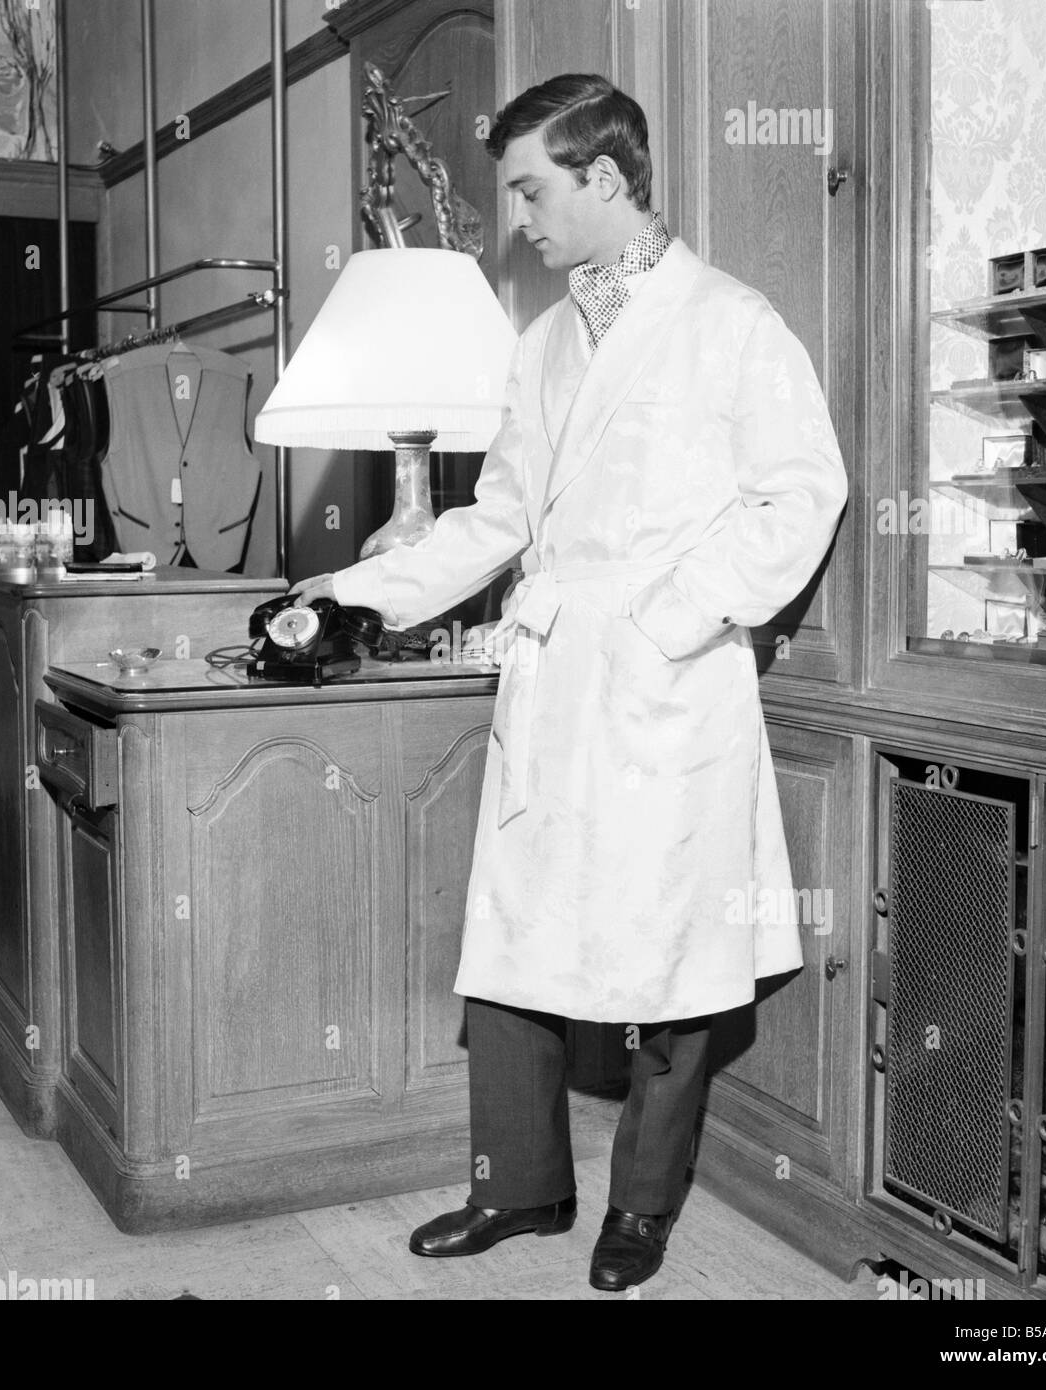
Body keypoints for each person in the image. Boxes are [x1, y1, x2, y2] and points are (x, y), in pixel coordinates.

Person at [289, 72, 848, 1292]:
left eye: (533, 190)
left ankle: (639, 1209)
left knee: (674, 959)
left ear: (605, 178)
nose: (518, 220)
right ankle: (521, 1188)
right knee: (510, 947)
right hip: (551, 678)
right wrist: (348, 592)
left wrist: (674, 614)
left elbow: (803, 493)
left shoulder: (730, 321)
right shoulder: (540, 341)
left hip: (666, 680)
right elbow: (494, 522)